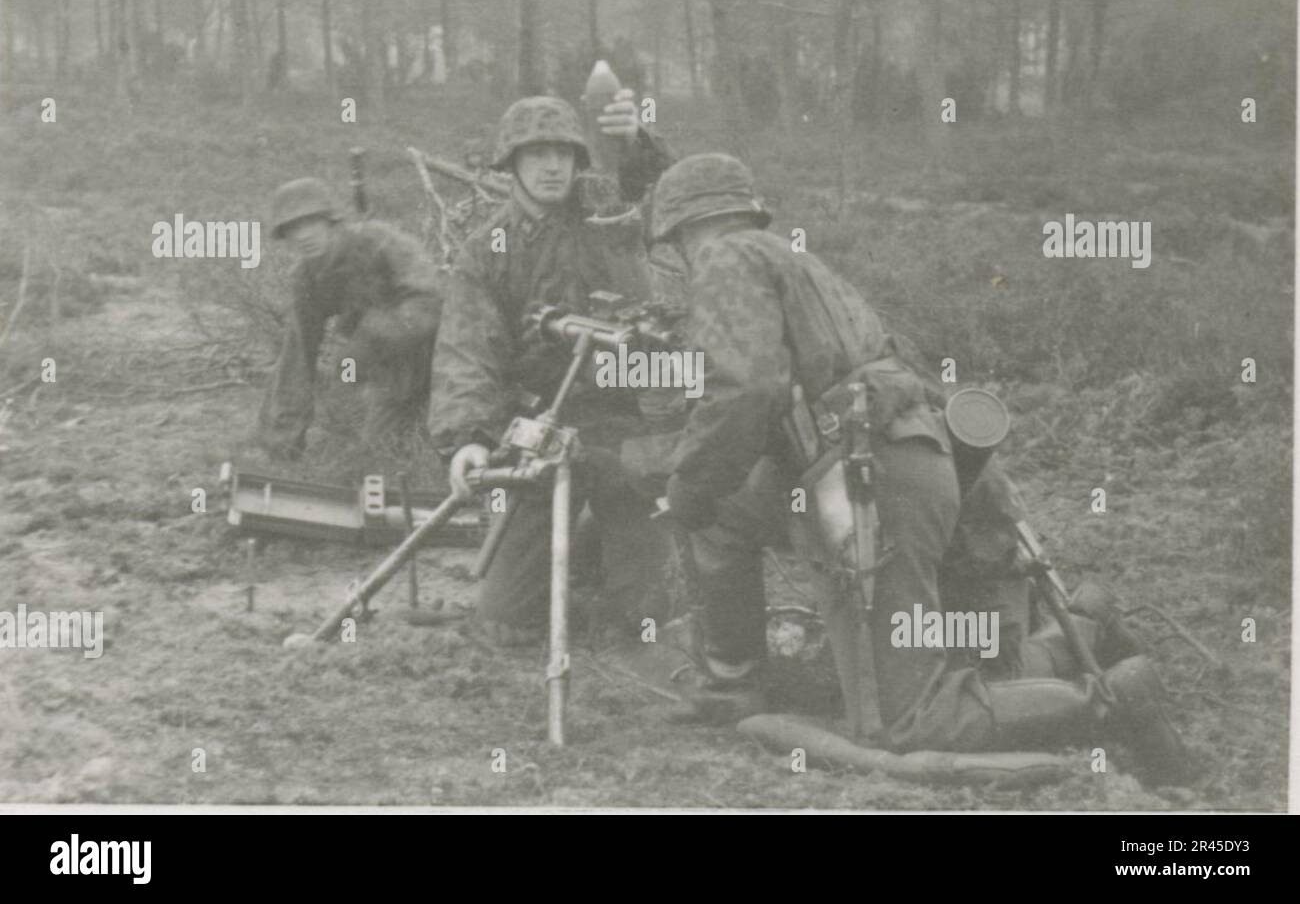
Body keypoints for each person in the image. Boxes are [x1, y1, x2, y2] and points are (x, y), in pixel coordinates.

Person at [650, 153, 1191, 784]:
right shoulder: (799, 263)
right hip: (901, 458)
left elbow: (744, 392)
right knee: (723, 513)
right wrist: (704, 493)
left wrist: (686, 483)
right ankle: (1087, 624)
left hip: (868, 484)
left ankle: (1110, 704)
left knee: (906, 722)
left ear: (679, 233)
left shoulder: (724, 259)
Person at [429, 92, 677, 646]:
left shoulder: (607, 212)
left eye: (564, 152)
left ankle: (606, 550)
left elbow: (658, 191)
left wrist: (637, 143)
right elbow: (467, 350)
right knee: (505, 624)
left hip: (626, 430)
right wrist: (468, 438)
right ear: (510, 164)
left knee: (644, 622)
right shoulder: (486, 250)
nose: (552, 166)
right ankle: (580, 544)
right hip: (541, 432)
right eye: (536, 153)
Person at [257, 178, 442, 459]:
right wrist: (283, 436)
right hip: (389, 371)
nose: (303, 235)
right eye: (293, 228)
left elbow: (431, 300)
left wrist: (373, 335)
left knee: (457, 441)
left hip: (442, 353)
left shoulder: (380, 241)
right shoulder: (308, 278)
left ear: (331, 220)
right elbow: (297, 356)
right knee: (371, 454)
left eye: (310, 222)